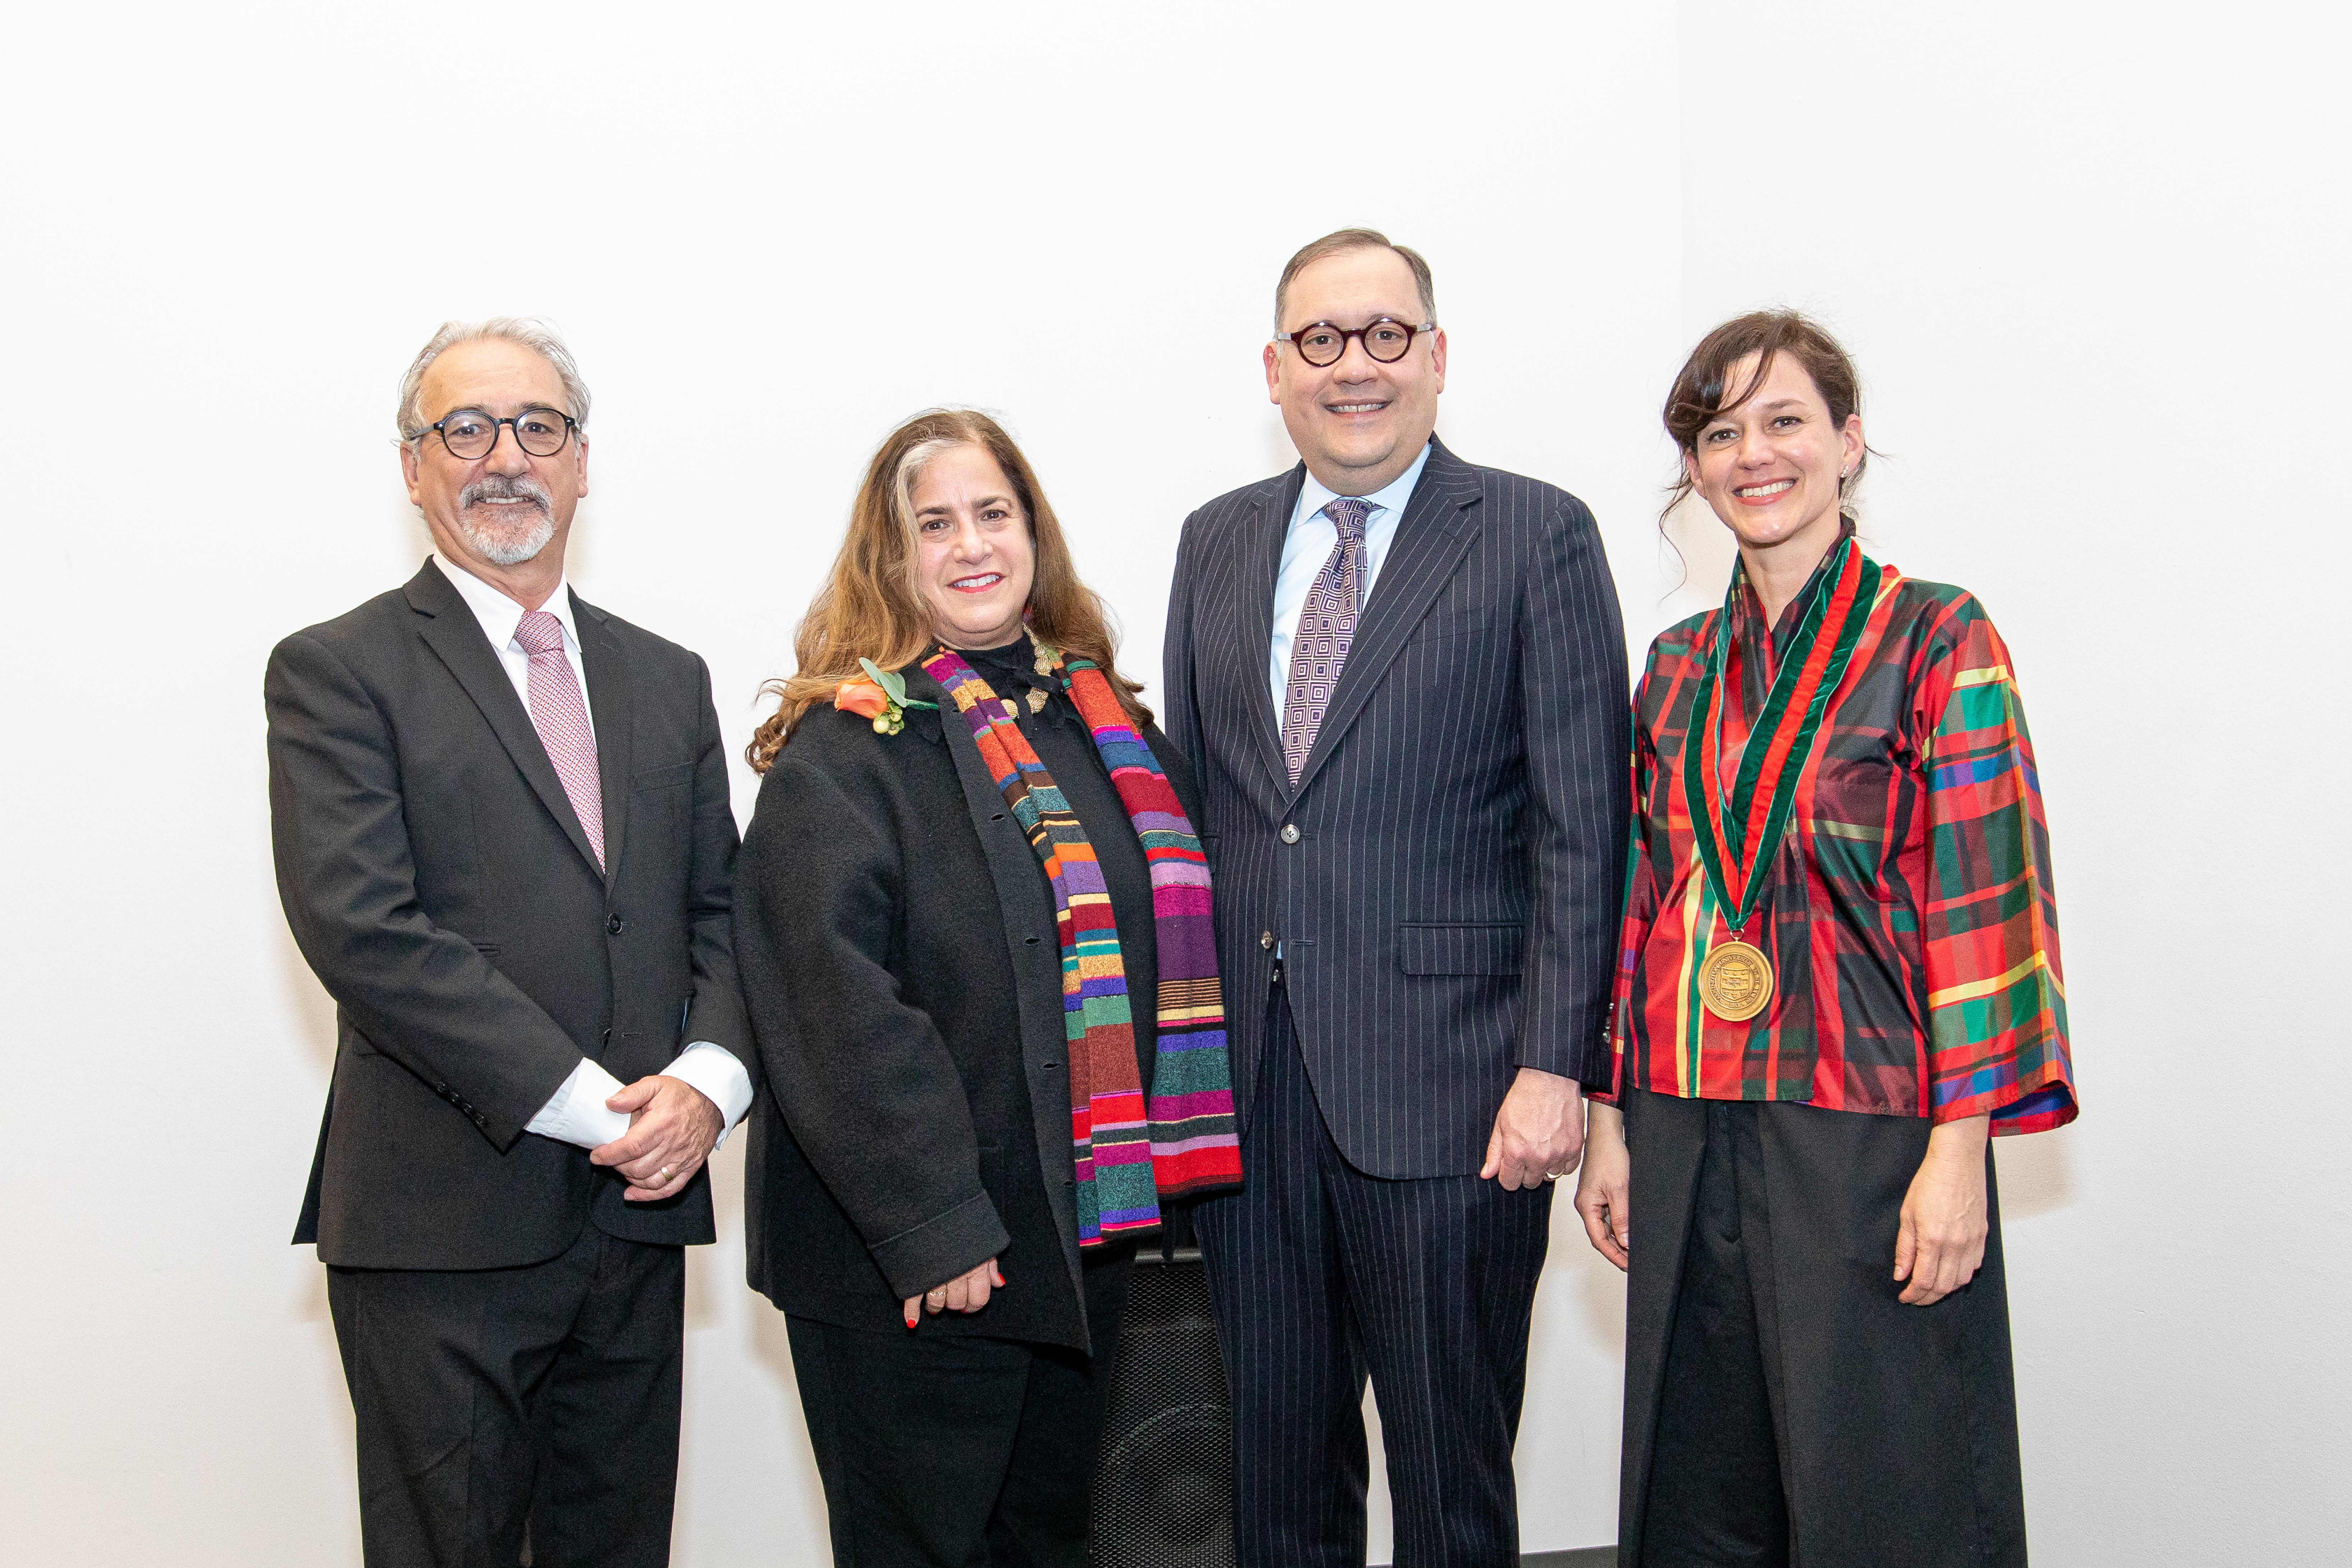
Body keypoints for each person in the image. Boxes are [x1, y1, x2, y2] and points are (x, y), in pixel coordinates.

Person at [1573, 310, 2079, 1568]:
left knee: (1886, 1486)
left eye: (1784, 420)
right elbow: (1639, 903)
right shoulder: (1674, 666)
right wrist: (1609, 1123)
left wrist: (1958, 1154)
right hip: (1685, 1114)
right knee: (1701, 1493)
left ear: (1848, 443)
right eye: (1719, 432)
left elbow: (1986, 901)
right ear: (1694, 469)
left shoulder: (1938, 636)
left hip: (1867, 1130)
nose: (1753, 453)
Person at [1161, 229, 1631, 1565]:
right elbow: (1195, 816)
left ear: (1436, 355)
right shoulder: (1215, 539)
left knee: (1448, 1481)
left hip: (1457, 1098)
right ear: (1275, 368)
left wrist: (1556, 1066)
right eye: (1319, 339)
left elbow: (1584, 828)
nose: (1351, 366)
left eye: (1382, 334)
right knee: (1275, 1480)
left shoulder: (1534, 531)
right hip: (1250, 1094)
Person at [265, 318, 758, 1568]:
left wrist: (706, 1088)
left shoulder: (668, 677)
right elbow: (365, 930)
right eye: (465, 428)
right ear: (412, 465)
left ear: (582, 462)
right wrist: (605, 1112)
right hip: (439, 1228)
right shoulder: (337, 671)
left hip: (637, 1222)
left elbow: (724, 913)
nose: (504, 457)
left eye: (538, 427)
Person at [732, 408, 1242, 1567]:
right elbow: (833, 1010)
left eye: (992, 513)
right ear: (890, 556)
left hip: (1078, 1244)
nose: (971, 544)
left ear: (1033, 533)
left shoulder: (1104, 723)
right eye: (934, 523)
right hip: (921, 1261)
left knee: (1051, 1543)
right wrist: (934, 1227)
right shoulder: (846, 745)